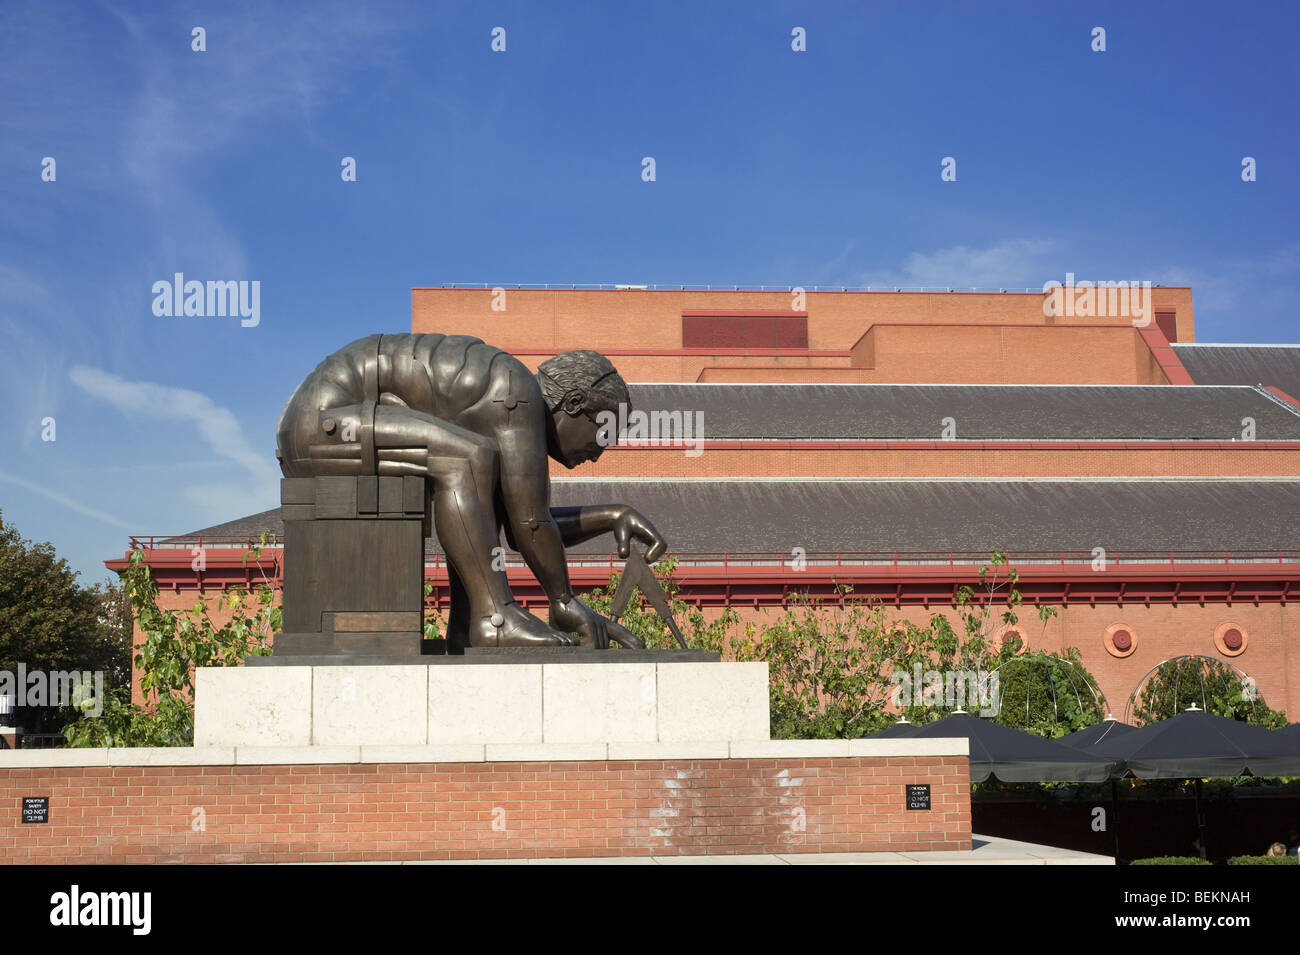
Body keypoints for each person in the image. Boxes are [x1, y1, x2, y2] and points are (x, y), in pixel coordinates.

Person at [276, 333, 667, 651]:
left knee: (480, 477)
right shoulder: (515, 392)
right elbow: (532, 525)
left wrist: (613, 515)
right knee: (466, 459)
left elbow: (520, 522)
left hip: (338, 421)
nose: (596, 454)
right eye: (601, 433)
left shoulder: (507, 401)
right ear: (574, 402)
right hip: (322, 423)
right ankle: (494, 618)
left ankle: (466, 626)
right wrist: (563, 600)